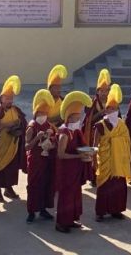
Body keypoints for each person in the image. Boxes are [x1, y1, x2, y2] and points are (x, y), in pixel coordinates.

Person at [93, 84, 131, 222]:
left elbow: (127, 140)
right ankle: (101, 212)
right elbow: (95, 144)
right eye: (109, 108)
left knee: (118, 185)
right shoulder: (100, 125)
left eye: (115, 108)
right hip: (105, 159)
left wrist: (116, 142)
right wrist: (93, 158)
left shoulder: (122, 124)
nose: (112, 111)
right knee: (104, 186)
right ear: (105, 110)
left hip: (119, 161)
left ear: (118, 109)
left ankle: (116, 210)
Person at [54, 91, 92, 234]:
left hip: (75, 169)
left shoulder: (76, 131)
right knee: (66, 195)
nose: (79, 119)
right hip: (66, 170)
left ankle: (71, 219)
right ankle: (61, 223)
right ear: (70, 117)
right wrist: (78, 157)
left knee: (75, 194)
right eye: (77, 117)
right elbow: (60, 154)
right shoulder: (64, 133)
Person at [0, 75, 27, 202]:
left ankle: (8, 189)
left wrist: (18, 125)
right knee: (0, 166)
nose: (9, 101)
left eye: (11, 99)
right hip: (1, 144)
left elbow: (23, 121)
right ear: (1, 98)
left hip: (13, 144)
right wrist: (7, 125)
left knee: (11, 167)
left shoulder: (16, 110)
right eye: (7, 98)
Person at [25, 89, 57, 223]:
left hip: (47, 161)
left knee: (46, 184)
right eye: (40, 113)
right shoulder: (31, 127)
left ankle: (43, 209)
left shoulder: (50, 126)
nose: (42, 115)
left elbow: (57, 143)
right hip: (35, 161)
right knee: (33, 186)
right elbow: (27, 147)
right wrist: (36, 139)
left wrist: (52, 141)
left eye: (45, 113)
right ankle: (31, 211)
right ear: (35, 113)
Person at [82, 68, 111, 187]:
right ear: (97, 91)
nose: (104, 93)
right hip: (94, 133)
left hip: (107, 133)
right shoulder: (92, 103)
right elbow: (89, 119)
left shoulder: (111, 102)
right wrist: (101, 113)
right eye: (101, 91)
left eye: (106, 91)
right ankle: (94, 177)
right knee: (95, 155)